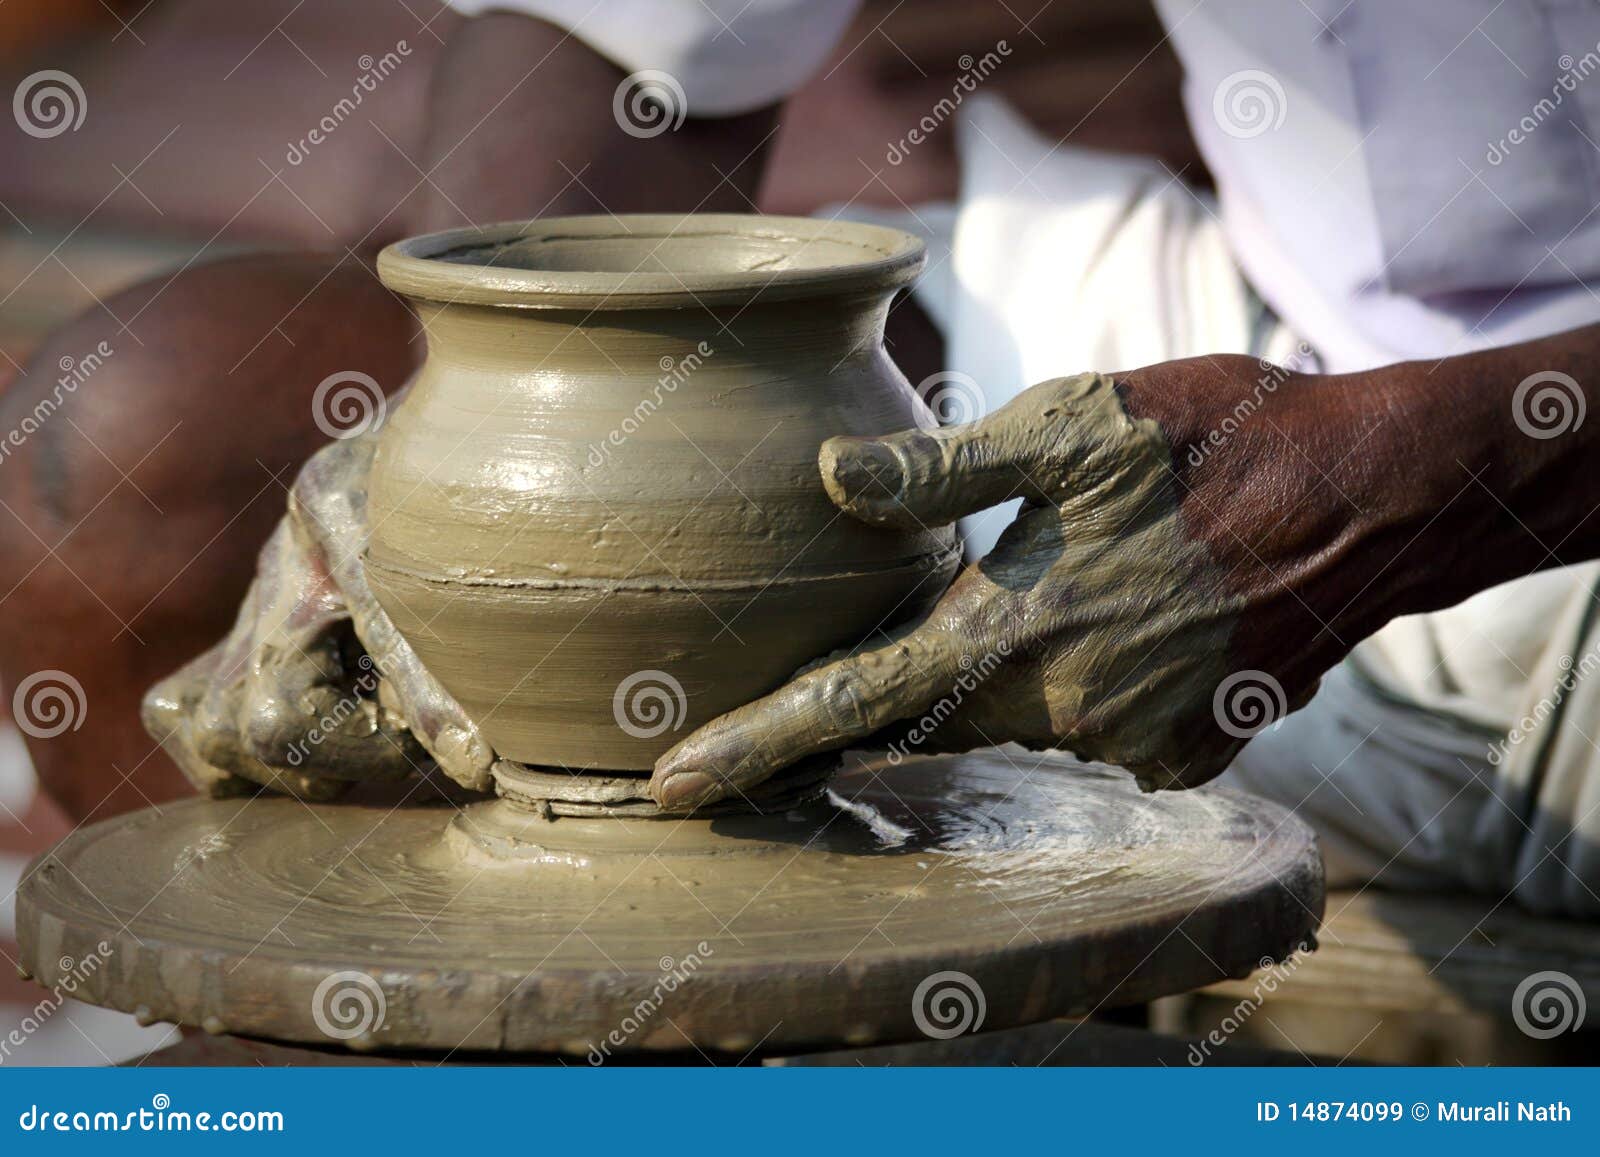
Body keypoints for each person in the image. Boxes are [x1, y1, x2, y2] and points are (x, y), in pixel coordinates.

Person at [6, 1, 1600, 916]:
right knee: (166, 432)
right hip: (1266, 323)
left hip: (1535, 494)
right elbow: (642, 44)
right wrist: (482, 413)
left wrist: (1413, 479)